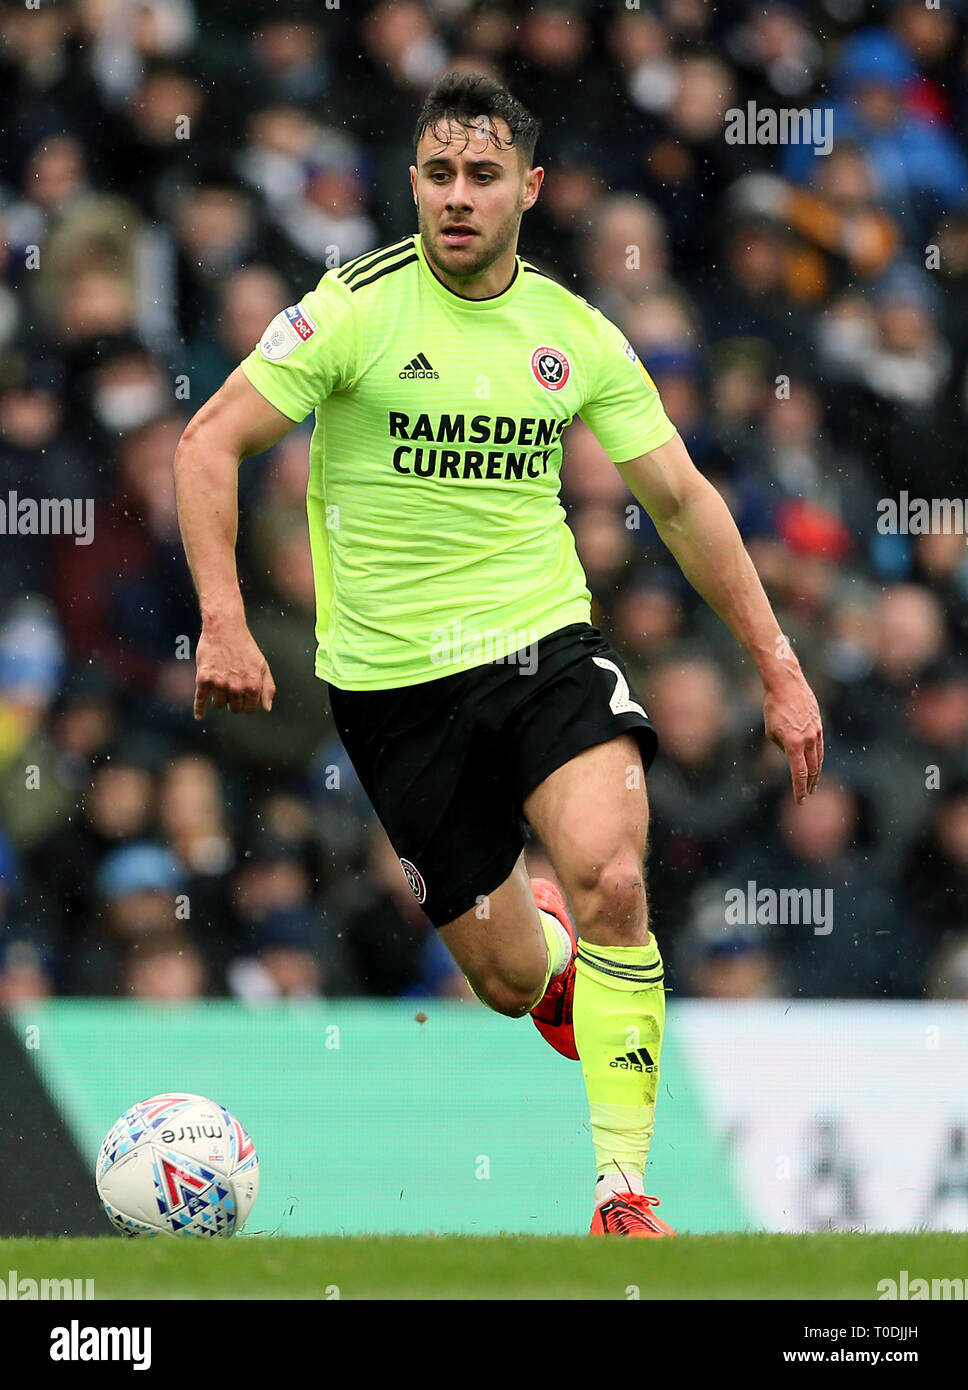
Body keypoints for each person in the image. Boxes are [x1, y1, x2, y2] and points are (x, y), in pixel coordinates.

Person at [172, 72, 823, 1237]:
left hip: (540, 651)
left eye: (481, 177)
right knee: (510, 981)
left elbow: (678, 499)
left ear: (527, 189)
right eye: (437, 174)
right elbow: (207, 442)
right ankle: (557, 960)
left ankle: (622, 1193)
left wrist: (773, 660)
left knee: (616, 878)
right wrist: (221, 616)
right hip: (387, 690)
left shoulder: (573, 332)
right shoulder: (351, 309)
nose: (456, 197)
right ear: (412, 183)